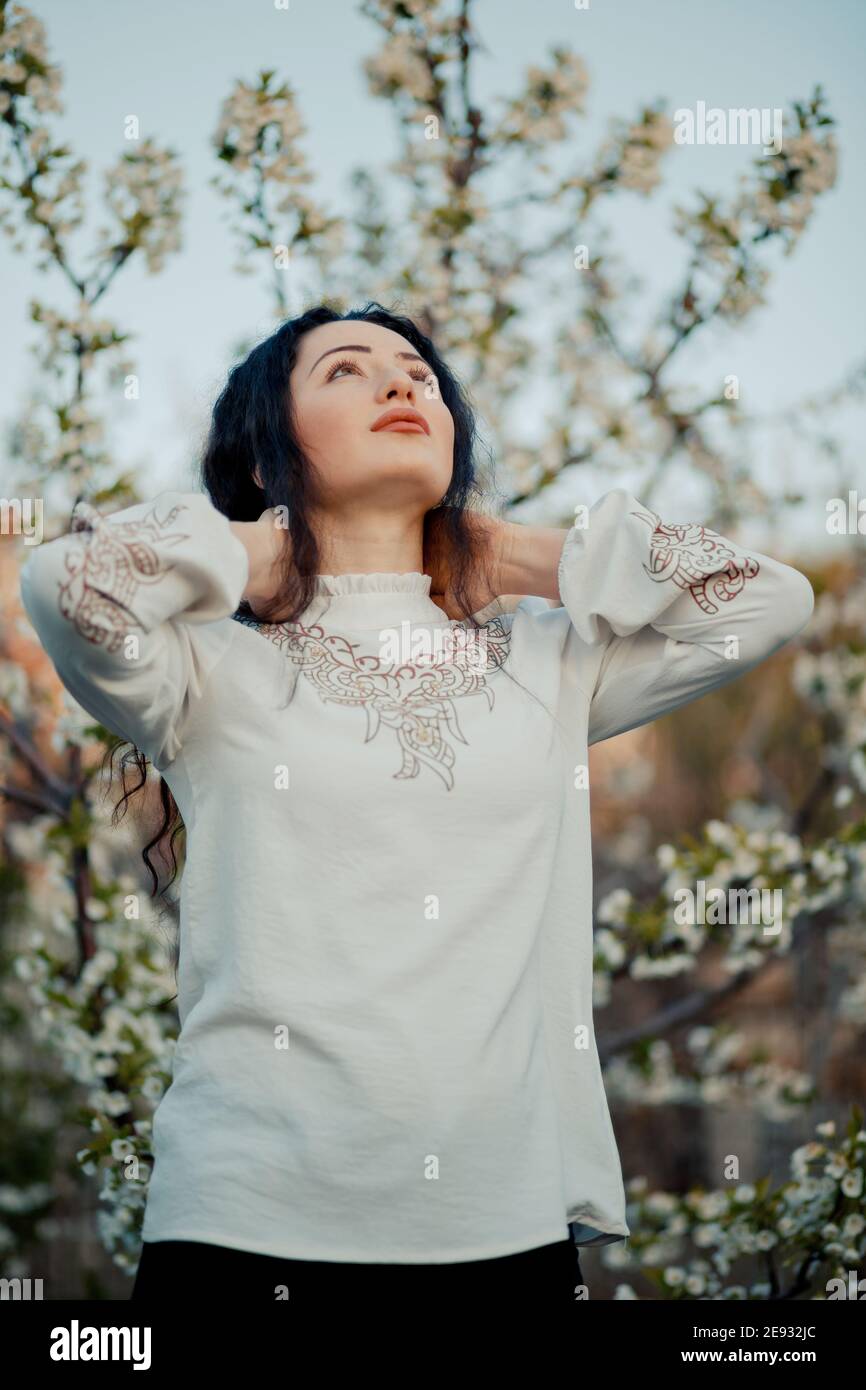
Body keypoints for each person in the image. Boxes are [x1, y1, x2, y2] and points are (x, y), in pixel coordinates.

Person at [19, 302, 814, 1309]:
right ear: (267, 454)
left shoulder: (542, 654)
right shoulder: (205, 663)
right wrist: (266, 554)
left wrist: (509, 555)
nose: (402, 385)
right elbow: (64, 581)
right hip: (245, 1223)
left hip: (504, 1228)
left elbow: (769, 599)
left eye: (420, 377)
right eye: (345, 371)